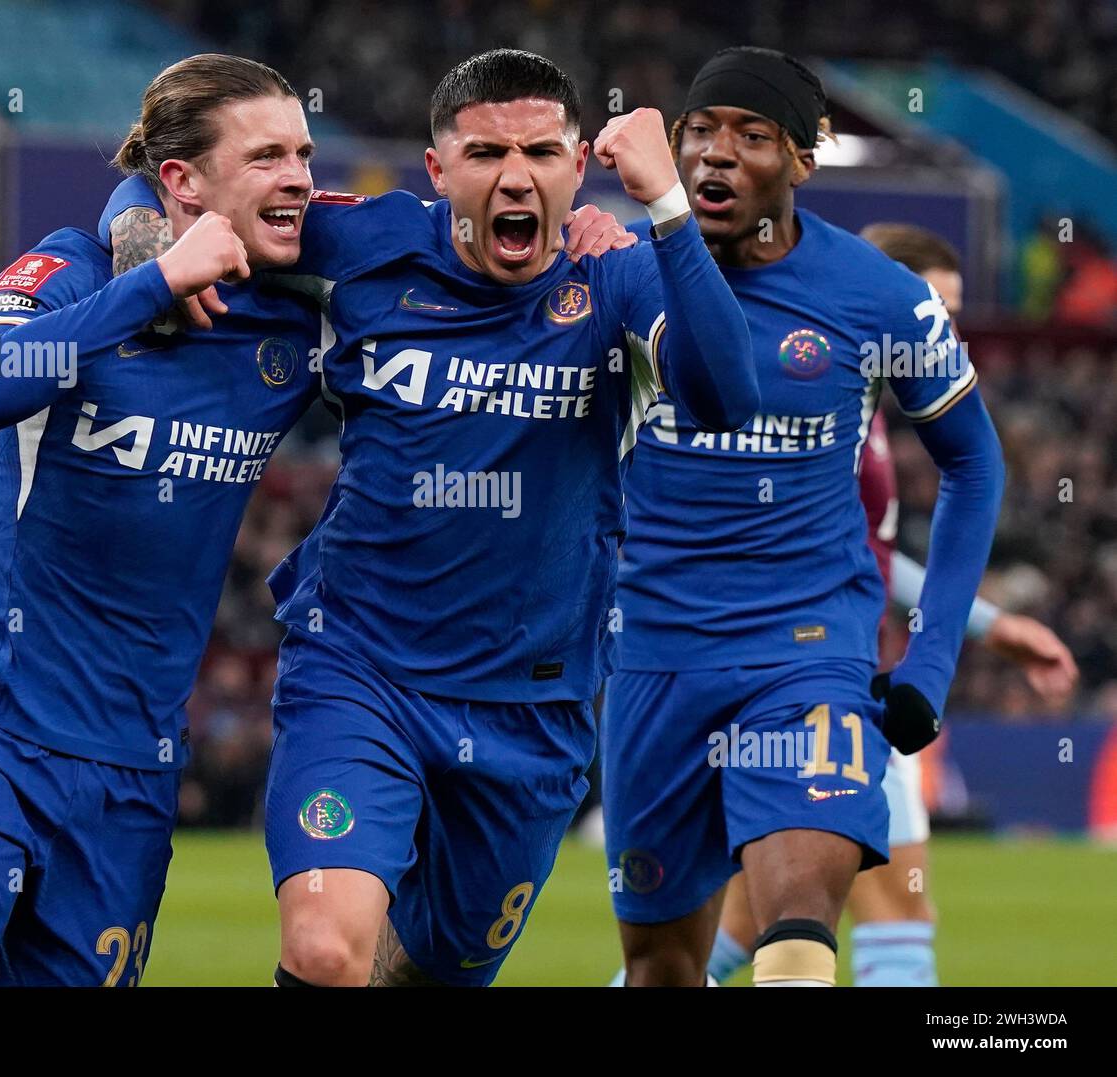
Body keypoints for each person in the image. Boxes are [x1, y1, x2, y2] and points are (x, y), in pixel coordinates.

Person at [100, 47, 759, 986]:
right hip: (360, 667)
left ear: (579, 168)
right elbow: (173, 182)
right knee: (327, 951)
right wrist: (135, 235)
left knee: (427, 974)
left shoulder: (617, 276)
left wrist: (667, 209)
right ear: (438, 169)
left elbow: (728, 396)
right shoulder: (365, 244)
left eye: (541, 152)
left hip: (531, 703)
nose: (516, 176)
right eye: (486, 154)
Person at [0, 54, 327, 986]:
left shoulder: (291, 315)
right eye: (268, 155)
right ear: (182, 181)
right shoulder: (70, 271)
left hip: (129, 765)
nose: (301, 177)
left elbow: (432, 238)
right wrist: (151, 280)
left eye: (304, 153)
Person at [600, 46, 1004, 987]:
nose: (716, 156)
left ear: (802, 161)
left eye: (752, 136)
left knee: (797, 915)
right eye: (700, 132)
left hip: (808, 649)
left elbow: (975, 464)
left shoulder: (880, 294)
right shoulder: (621, 274)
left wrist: (932, 659)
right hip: (655, 658)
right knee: (665, 965)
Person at [705, 223, 1078, 988]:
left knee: (740, 929)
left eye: (954, 313)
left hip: (830, 677)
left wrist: (986, 625)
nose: (946, 332)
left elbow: (870, 554)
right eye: (934, 309)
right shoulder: (827, 412)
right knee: (891, 918)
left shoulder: (866, 408)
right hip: (815, 686)